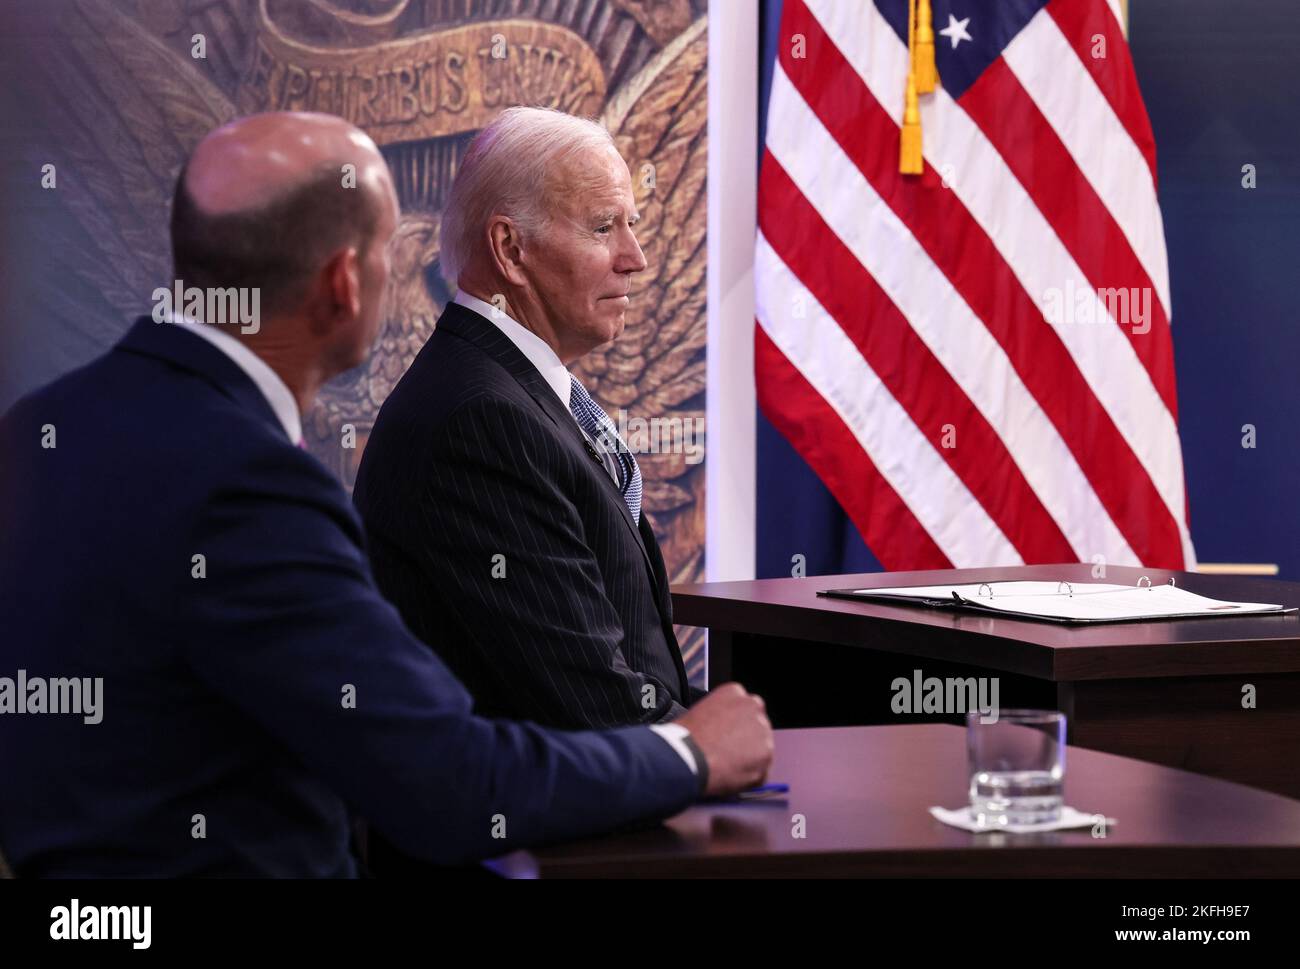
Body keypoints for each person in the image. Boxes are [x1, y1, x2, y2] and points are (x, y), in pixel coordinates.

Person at [0, 111, 772, 878]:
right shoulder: (253, 487)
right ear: (345, 282)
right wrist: (691, 752)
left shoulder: (39, 428)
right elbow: (446, 780)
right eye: (389, 251)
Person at [354, 107, 702, 731]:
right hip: (546, 824)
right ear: (511, 250)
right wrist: (749, 754)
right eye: (603, 228)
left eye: (633, 225)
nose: (637, 257)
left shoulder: (510, 391)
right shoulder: (484, 422)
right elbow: (594, 706)